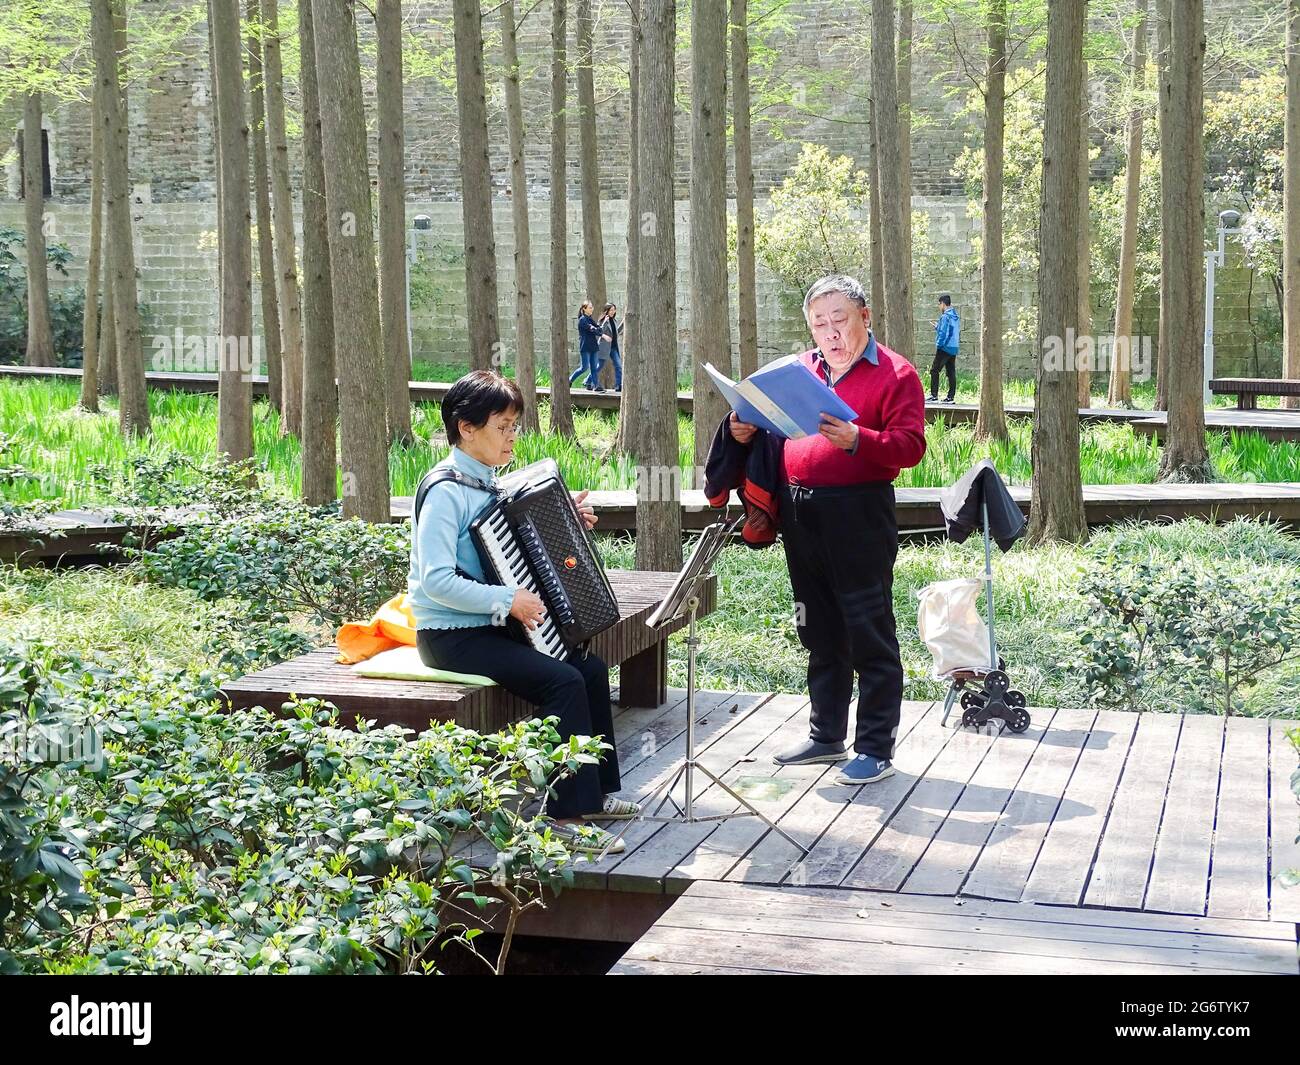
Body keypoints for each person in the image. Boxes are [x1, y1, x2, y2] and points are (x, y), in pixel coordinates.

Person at [409, 369, 639, 851]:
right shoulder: (445, 491)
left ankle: (593, 793)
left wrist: (565, 518)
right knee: (564, 681)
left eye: (515, 425)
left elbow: (518, 546)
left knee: (590, 668)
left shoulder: (488, 484)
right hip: (451, 636)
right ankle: (564, 817)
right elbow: (435, 580)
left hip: (490, 629)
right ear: (465, 428)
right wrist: (505, 600)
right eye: (502, 426)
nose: (512, 436)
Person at [728, 275, 926, 785]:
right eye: (820, 323)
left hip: (859, 512)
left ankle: (876, 747)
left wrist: (860, 439)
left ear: (866, 317)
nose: (831, 332)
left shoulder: (897, 374)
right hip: (801, 512)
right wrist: (743, 427)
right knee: (818, 627)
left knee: (868, 627)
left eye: (840, 320)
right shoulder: (800, 370)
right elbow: (775, 426)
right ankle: (825, 735)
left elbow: (910, 447)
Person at [929, 293, 960, 404]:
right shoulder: (955, 316)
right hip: (954, 347)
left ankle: (933, 396)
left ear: (943, 304)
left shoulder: (945, 316)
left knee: (934, 370)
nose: (939, 307)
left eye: (939, 304)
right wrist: (938, 326)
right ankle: (950, 397)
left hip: (945, 347)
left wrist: (939, 344)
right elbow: (951, 331)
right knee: (951, 372)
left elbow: (944, 333)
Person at [569, 301, 606, 392]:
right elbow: (594, 330)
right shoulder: (582, 320)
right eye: (590, 307)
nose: (592, 309)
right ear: (584, 309)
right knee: (584, 367)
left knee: (594, 367)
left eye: (592, 307)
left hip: (593, 346)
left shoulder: (590, 319)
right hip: (585, 347)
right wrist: (597, 329)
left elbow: (599, 330)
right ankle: (569, 380)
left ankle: (596, 386)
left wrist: (599, 327)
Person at [597, 303, 624, 392]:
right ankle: (588, 381)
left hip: (613, 348)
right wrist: (605, 322)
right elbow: (599, 331)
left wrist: (624, 323)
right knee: (599, 366)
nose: (613, 312)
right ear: (607, 311)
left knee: (618, 366)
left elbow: (616, 332)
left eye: (614, 310)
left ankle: (618, 386)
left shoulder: (614, 321)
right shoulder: (603, 320)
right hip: (604, 348)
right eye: (611, 310)